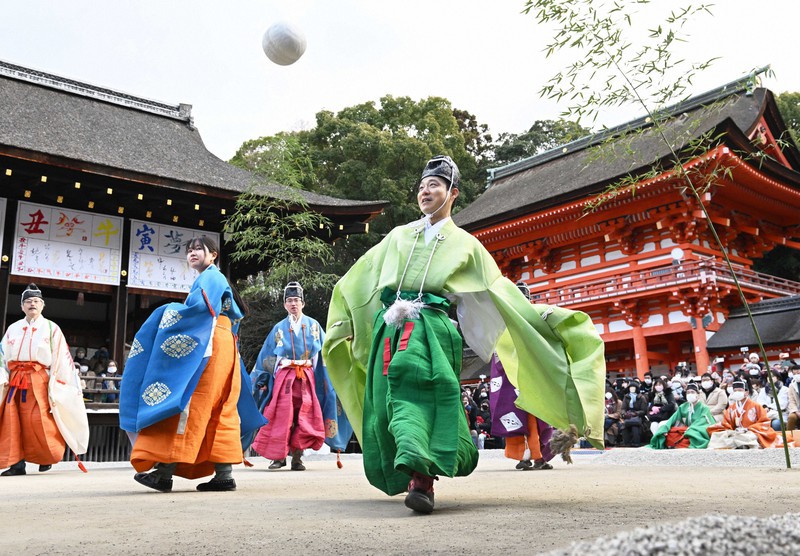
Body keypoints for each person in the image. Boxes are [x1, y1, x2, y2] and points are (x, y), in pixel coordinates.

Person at [322, 155, 605, 514]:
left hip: (431, 329)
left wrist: (538, 316)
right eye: (422, 186)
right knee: (387, 400)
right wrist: (344, 323)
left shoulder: (467, 244)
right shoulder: (396, 237)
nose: (425, 191)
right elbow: (358, 281)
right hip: (388, 329)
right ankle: (416, 472)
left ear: (452, 193)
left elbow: (496, 288)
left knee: (419, 391)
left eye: (434, 185)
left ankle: (421, 480)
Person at [120, 236, 266, 492]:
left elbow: (199, 310)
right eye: (189, 250)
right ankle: (224, 474)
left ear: (213, 255)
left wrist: (167, 312)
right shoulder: (215, 278)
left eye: (199, 249)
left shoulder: (211, 277)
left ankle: (164, 473)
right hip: (223, 343)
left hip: (209, 343)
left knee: (189, 403)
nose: (192, 253)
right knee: (219, 407)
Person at [250, 282, 352, 471]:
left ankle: (297, 457)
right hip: (284, 377)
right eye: (289, 301)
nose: (293, 304)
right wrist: (263, 381)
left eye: (296, 300)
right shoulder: (278, 328)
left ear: (303, 303)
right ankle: (278, 458)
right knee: (281, 416)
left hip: (306, 377)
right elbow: (268, 357)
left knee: (304, 416)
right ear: (284, 305)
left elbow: (324, 354)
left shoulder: (313, 326)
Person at [0, 284, 89, 476]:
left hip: (40, 379)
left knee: (41, 420)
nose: (32, 304)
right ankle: (17, 464)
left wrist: (60, 383)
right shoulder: (13, 329)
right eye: (28, 301)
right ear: (22, 307)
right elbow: (2, 356)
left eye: (36, 301)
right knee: (13, 421)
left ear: (43, 305)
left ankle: (46, 457)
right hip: (15, 380)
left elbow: (61, 356)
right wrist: (3, 377)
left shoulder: (51, 328)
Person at [707, 379, 777, 449]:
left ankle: (741, 444)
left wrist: (748, 429)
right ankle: (741, 444)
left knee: (747, 436)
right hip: (736, 432)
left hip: (752, 432)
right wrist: (727, 429)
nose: (737, 392)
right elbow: (726, 423)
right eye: (735, 391)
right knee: (719, 435)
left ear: (746, 392)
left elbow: (764, 422)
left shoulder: (756, 406)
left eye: (740, 390)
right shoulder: (731, 408)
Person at [650, 383, 715, 449]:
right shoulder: (683, 406)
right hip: (686, 428)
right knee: (664, 427)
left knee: (694, 433)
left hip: (700, 428)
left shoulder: (704, 408)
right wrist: (666, 427)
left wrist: (692, 428)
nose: (690, 394)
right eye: (688, 392)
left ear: (698, 394)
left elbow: (702, 421)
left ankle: (683, 442)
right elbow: (673, 418)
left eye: (692, 392)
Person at [619, 381, 648, 447]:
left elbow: (644, 410)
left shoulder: (641, 397)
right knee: (624, 426)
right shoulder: (626, 397)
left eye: (633, 387)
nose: (632, 389)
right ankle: (626, 443)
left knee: (635, 426)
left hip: (638, 416)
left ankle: (636, 443)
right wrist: (624, 413)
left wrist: (635, 413)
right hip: (628, 415)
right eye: (630, 387)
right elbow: (623, 408)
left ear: (636, 388)